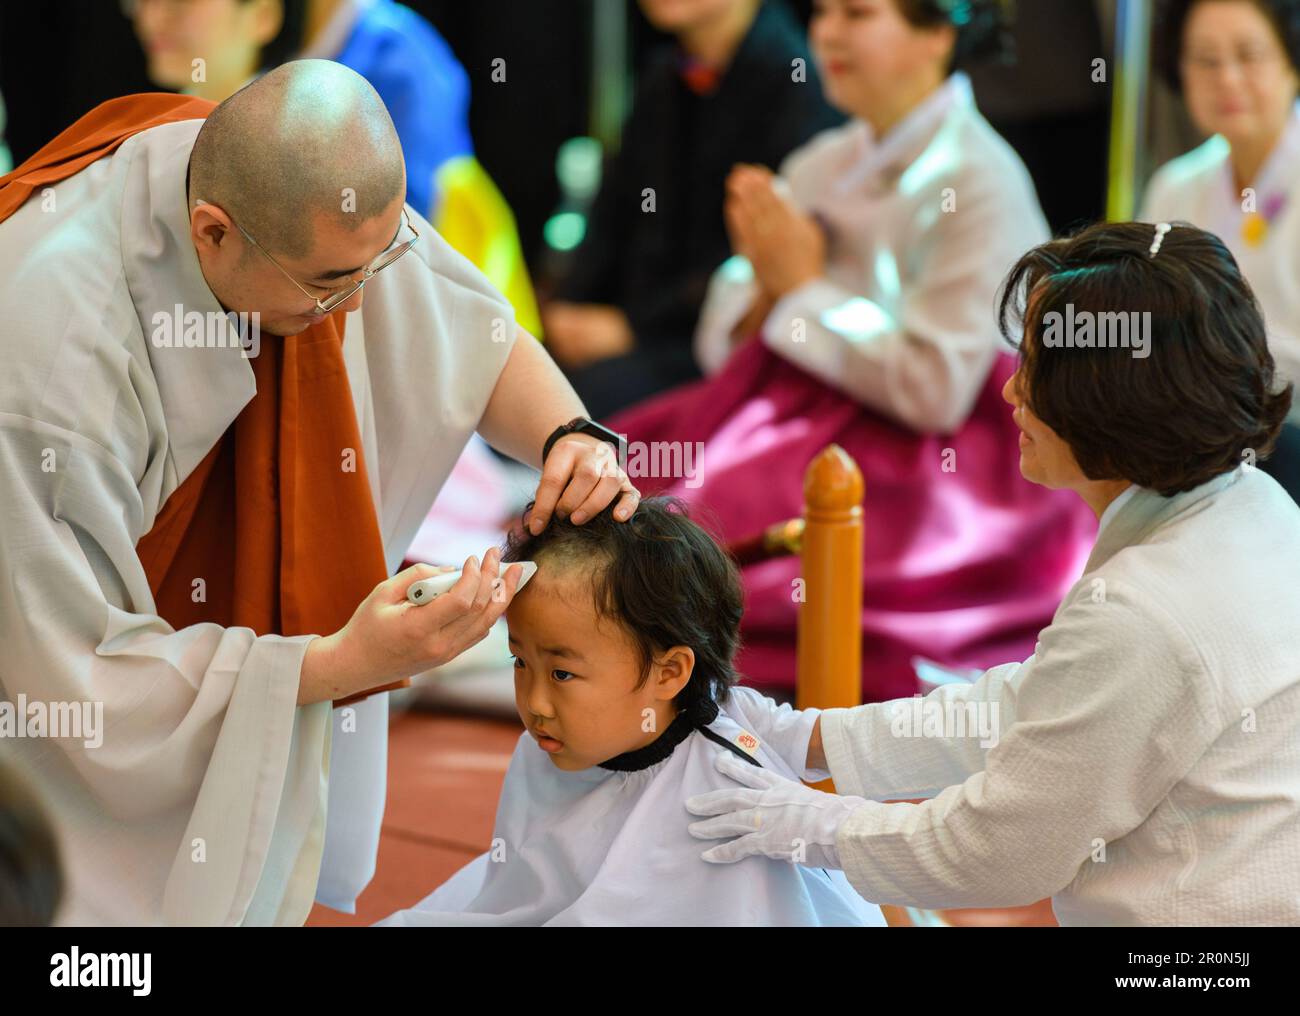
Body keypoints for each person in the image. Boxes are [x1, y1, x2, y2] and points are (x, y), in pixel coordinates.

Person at [0, 60, 639, 925]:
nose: (356, 304)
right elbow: (64, 674)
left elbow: (465, 324)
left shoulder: (308, 216)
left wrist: (572, 434)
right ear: (212, 232)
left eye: (375, 265)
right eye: (330, 285)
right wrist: (344, 663)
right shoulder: (49, 365)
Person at [686, 222, 1300, 926]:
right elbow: (1042, 707)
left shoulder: (1146, 610)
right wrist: (809, 737)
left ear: (1107, 396)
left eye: (1035, 368)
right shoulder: (1256, 504)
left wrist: (804, 823)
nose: (1010, 392)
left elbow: (998, 849)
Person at [605, 0, 1096, 702]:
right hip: (795, 416)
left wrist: (801, 285)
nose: (827, 33)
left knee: (701, 554)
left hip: (926, 461)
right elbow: (725, 340)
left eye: (859, 13)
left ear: (937, 34)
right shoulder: (821, 161)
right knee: (619, 499)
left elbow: (938, 388)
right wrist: (776, 289)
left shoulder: (981, 179)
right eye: (824, 11)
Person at [378, 497, 887, 926]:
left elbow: (832, 740)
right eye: (520, 661)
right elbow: (527, 891)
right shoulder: (546, 750)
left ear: (668, 673)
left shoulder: (734, 749)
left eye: (561, 674)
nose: (533, 703)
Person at [544, 0, 845, 419]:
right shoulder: (666, 73)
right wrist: (571, 305)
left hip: (712, 344)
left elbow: (750, 261)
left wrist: (635, 328)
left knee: (574, 410)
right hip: (631, 330)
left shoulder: (797, 82)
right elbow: (613, 211)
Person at [1143, 0, 1300, 500]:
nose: (1227, 78)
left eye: (1249, 55)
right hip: (1194, 437)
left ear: (1292, 60)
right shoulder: (1174, 188)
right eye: (1206, 61)